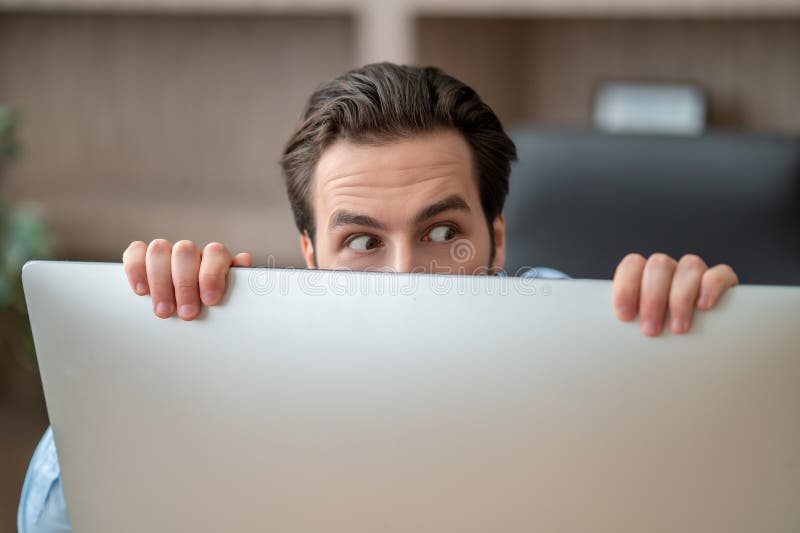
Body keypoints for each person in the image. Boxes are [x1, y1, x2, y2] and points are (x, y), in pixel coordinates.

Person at [18, 62, 738, 532]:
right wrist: (136, 371)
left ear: (497, 240)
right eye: (363, 241)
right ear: (310, 256)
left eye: (443, 232)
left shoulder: (586, 346)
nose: (404, 278)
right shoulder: (240, 373)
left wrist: (708, 367)